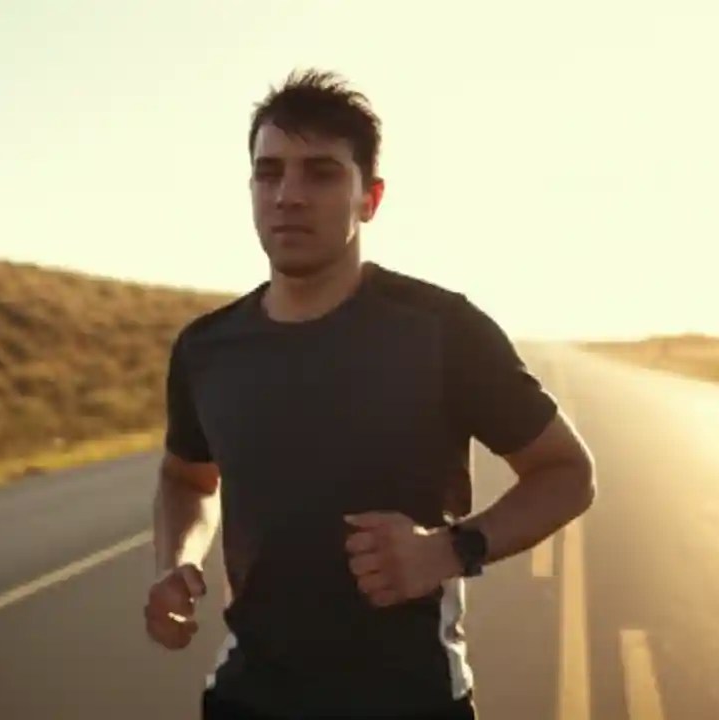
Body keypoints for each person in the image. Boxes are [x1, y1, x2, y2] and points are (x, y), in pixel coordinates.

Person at [144, 68, 596, 720]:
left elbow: (568, 474)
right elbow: (187, 479)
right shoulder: (206, 349)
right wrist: (175, 563)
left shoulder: (441, 329)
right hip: (246, 700)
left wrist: (448, 549)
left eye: (320, 172)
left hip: (409, 701)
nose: (288, 195)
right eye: (268, 173)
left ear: (370, 198)